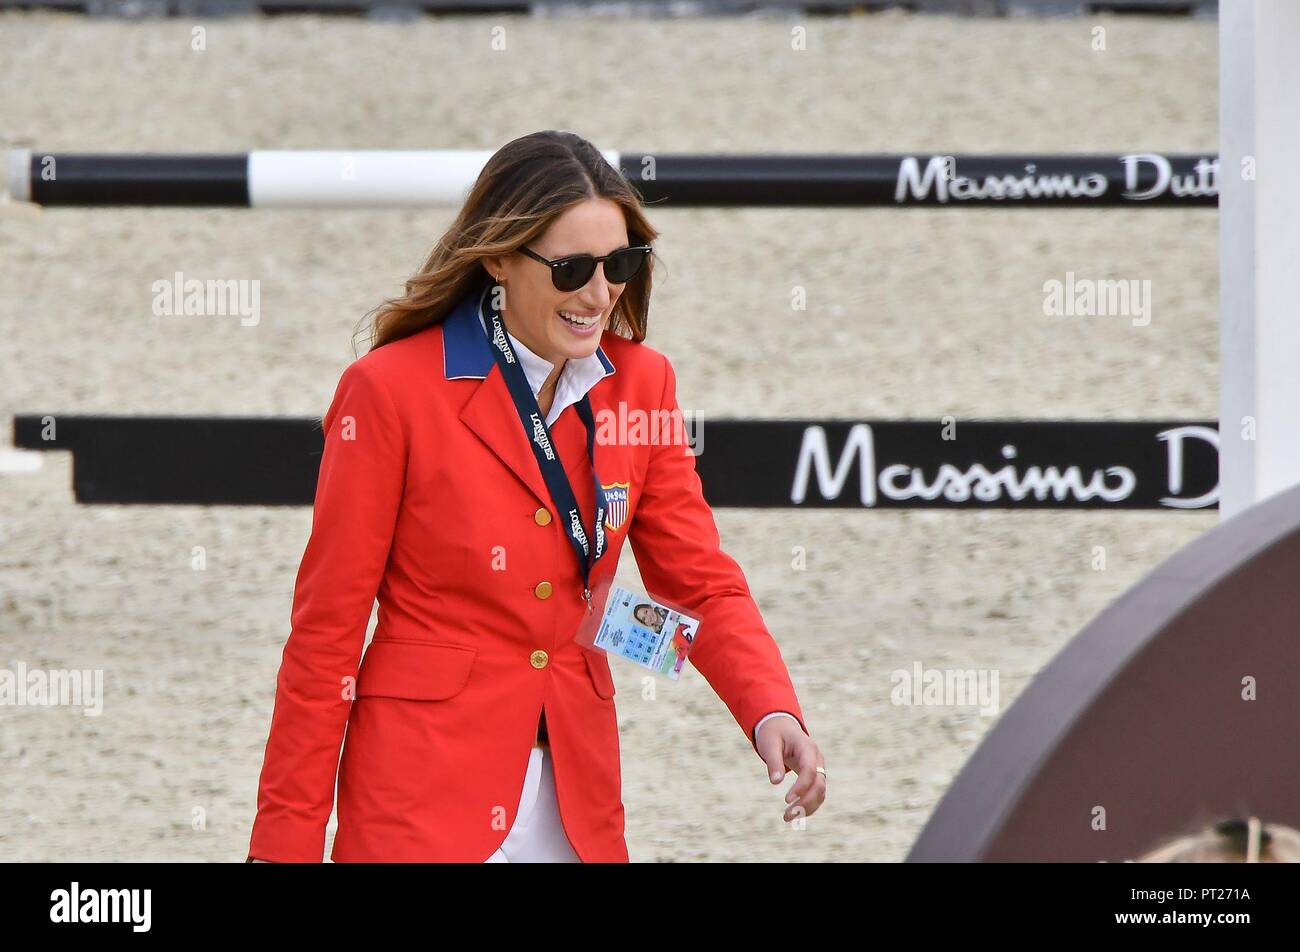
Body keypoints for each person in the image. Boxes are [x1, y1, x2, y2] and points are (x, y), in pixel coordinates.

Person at [246, 130, 825, 863]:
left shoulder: (645, 385)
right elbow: (326, 633)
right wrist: (283, 844)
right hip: (418, 791)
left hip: (578, 795)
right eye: (571, 269)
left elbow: (698, 584)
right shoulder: (387, 392)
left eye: (618, 265)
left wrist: (770, 707)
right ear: (497, 257)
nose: (598, 293)